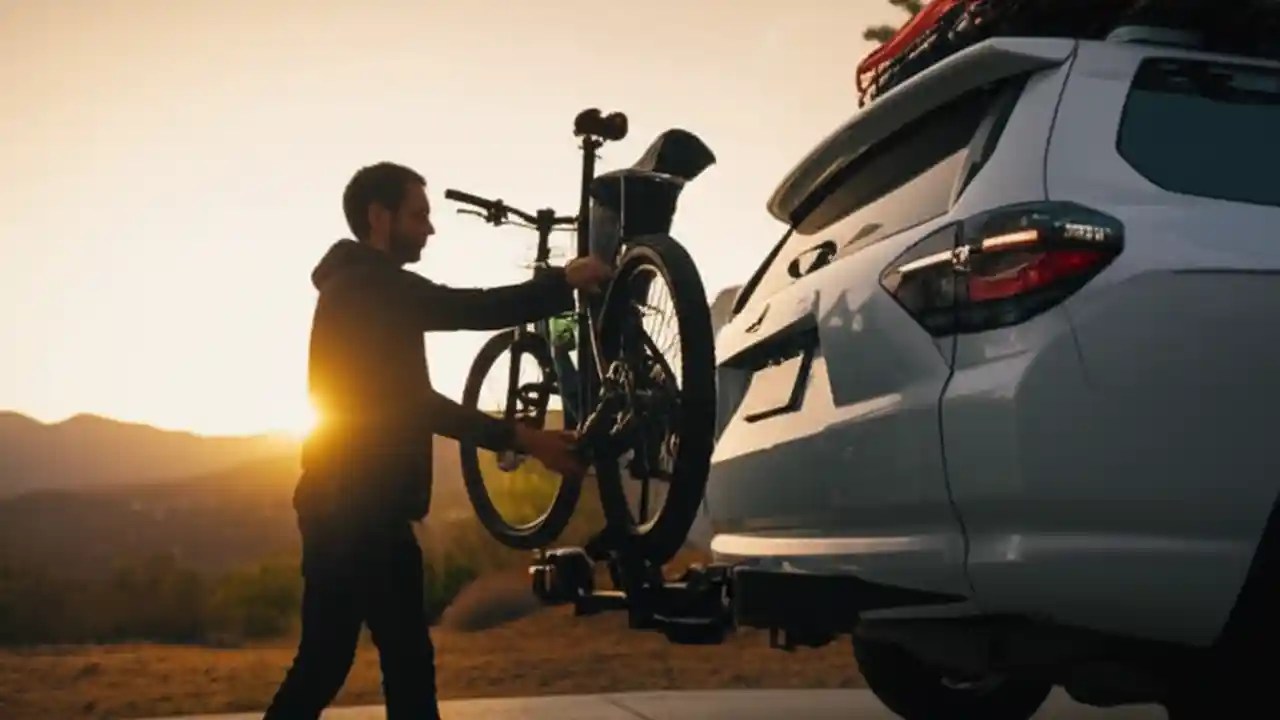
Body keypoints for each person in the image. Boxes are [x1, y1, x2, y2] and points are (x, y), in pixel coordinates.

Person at [263, 162, 613, 720]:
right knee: (398, 663)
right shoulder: (370, 288)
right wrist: (526, 436)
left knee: (331, 663)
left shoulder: (358, 287)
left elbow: (416, 389)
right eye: (418, 214)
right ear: (379, 218)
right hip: (360, 511)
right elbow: (460, 323)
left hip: (343, 505)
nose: (430, 228)